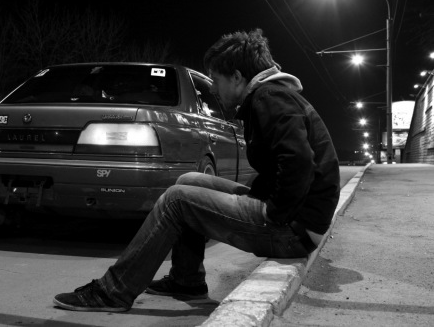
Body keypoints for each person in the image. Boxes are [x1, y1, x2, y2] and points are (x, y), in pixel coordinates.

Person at [53, 28, 341, 312]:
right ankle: (186, 279)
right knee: (189, 181)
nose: (213, 88)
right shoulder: (271, 96)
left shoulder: (269, 98)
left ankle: (113, 291)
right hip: (297, 219)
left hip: (293, 230)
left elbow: (299, 161)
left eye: (216, 79)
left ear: (237, 77)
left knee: (176, 200)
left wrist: (273, 213)